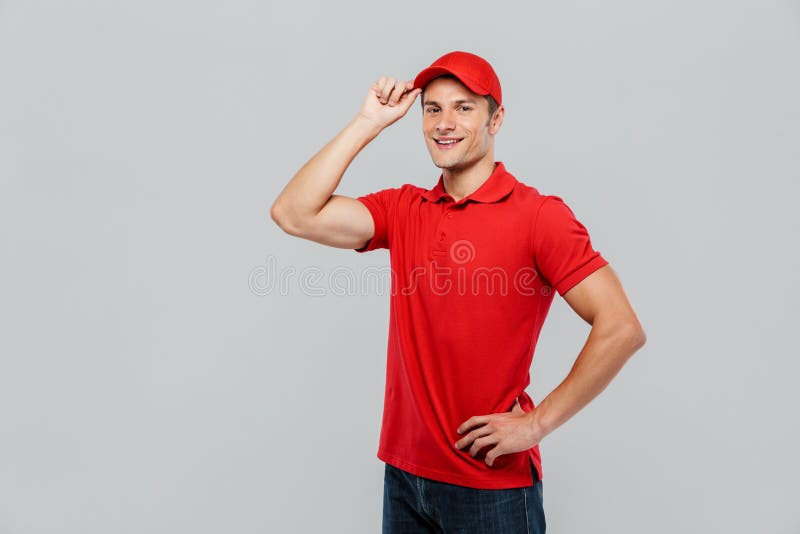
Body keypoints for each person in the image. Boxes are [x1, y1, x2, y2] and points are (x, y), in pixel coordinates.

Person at [271, 50, 646, 533]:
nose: (444, 123)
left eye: (463, 107)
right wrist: (368, 123)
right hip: (404, 476)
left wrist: (537, 424)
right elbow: (293, 213)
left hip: (490, 486)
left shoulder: (539, 216)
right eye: (433, 109)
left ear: (496, 119)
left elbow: (621, 327)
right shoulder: (404, 208)